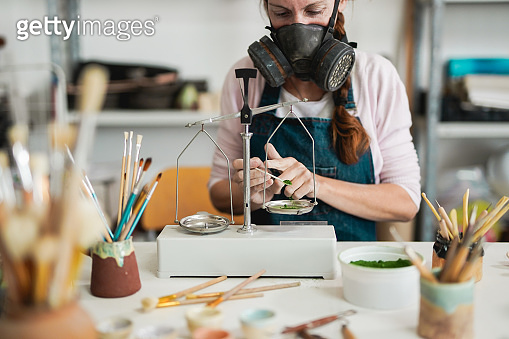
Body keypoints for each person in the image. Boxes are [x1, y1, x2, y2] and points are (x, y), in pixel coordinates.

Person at [208, 0, 421, 241]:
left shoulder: (376, 77)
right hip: (267, 265)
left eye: (314, 11)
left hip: (349, 267)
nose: (298, 26)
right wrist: (251, 193)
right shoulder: (246, 78)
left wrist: (316, 184)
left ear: (341, 3)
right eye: (282, 13)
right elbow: (218, 193)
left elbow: (406, 202)